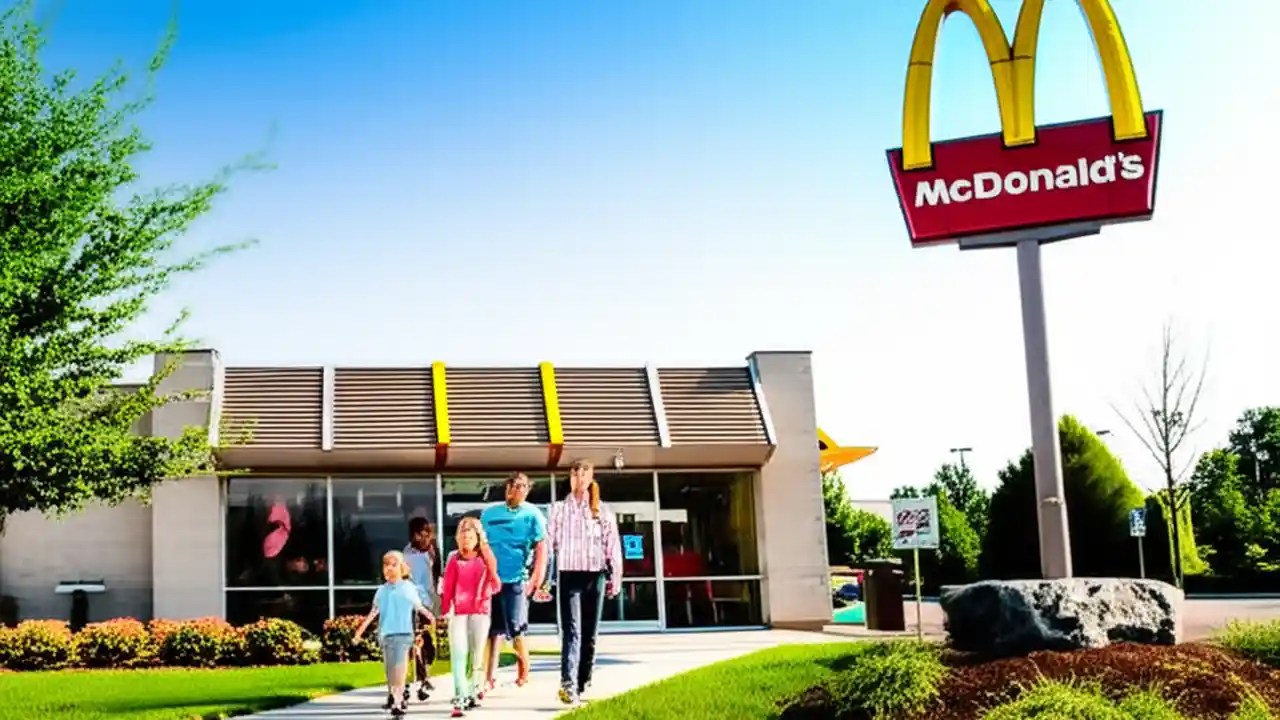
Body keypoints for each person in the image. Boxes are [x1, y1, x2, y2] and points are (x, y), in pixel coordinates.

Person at [546, 459, 623, 707]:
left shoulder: (602, 511)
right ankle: (568, 683)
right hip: (569, 575)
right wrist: (546, 579)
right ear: (570, 478)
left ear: (591, 478)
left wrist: (616, 578)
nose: (578, 478)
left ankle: (582, 681)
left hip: (595, 575)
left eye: (583, 474)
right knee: (572, 630)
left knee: (590, 633)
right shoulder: (557, 509)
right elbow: (549, 546)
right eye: (574, 473)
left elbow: (612, 546)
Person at [479, 471, 548, 690]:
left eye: (521, 486)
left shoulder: (533, 514)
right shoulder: (489, 514)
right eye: (513, 485)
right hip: (491, 580)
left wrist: (538, 577)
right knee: (492, 631)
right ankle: (489, 676)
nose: (516, 489)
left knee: (517, 628)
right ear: (506, 488)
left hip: (517, 580)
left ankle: (523, 673)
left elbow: (541, 547)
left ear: (528, 490)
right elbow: (480, 546)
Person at [352, 550, 435, 718]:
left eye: (394, 564)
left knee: (399, 669)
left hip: (404, 634)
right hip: (386, 635)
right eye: (386, 565)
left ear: (402, 567)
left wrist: (430, 617)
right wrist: (359, 631)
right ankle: (393, 696)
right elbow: (373, 613)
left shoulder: (408, 588)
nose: (389, 568)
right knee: (390, 671)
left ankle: (398, 702)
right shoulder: (381, 591)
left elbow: (418, 607)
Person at [440, 517, 502, 717]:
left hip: (480, 611)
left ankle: (474, 688)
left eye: (469, 534)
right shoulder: (453, 558)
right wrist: (444, 609)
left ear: (477, 537)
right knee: (459, 655)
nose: (465, 537)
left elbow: (496, 583)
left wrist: (487, 557)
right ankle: (460, 696)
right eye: (462, 534)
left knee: (476, 653)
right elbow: (448, 586)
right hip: (458, 611)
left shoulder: (485, 557)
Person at [404, 517, 442, 702]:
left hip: (429, 603)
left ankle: (425, 674)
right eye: (420, 534)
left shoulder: (434, 552)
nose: (424, 538)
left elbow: (436, 578)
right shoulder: (406, 554)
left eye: (427, 534)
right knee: (416, 641)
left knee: (429, 644)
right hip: (413, 604)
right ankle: (421, 678)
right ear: (413, 535)